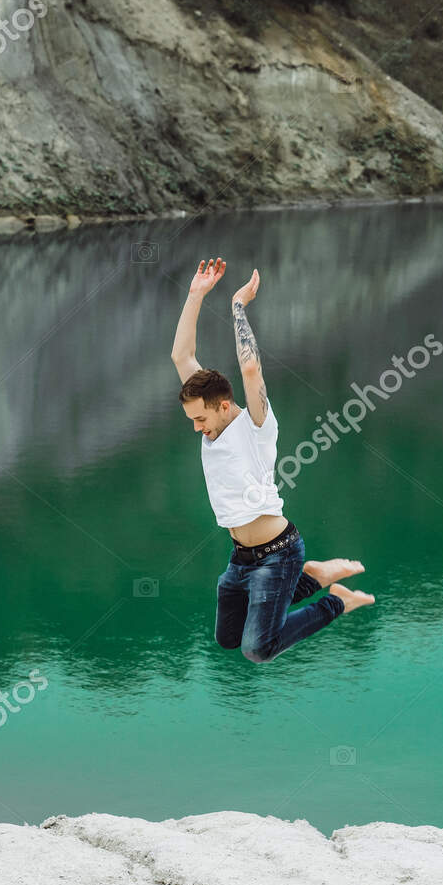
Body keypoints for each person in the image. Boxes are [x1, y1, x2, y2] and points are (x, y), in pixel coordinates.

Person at [170, 257, 374, 663]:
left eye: (200, 419)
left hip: (279, 552)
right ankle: (315, 575)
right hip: (240, 558)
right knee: (228, 639)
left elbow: (250, 367)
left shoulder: (257, 426)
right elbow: (181, 355)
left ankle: (338, 601)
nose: (196, 428)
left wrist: (237, 306)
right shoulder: (209, 420)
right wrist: (195, 294)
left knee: (258, 648)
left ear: (223, 405)